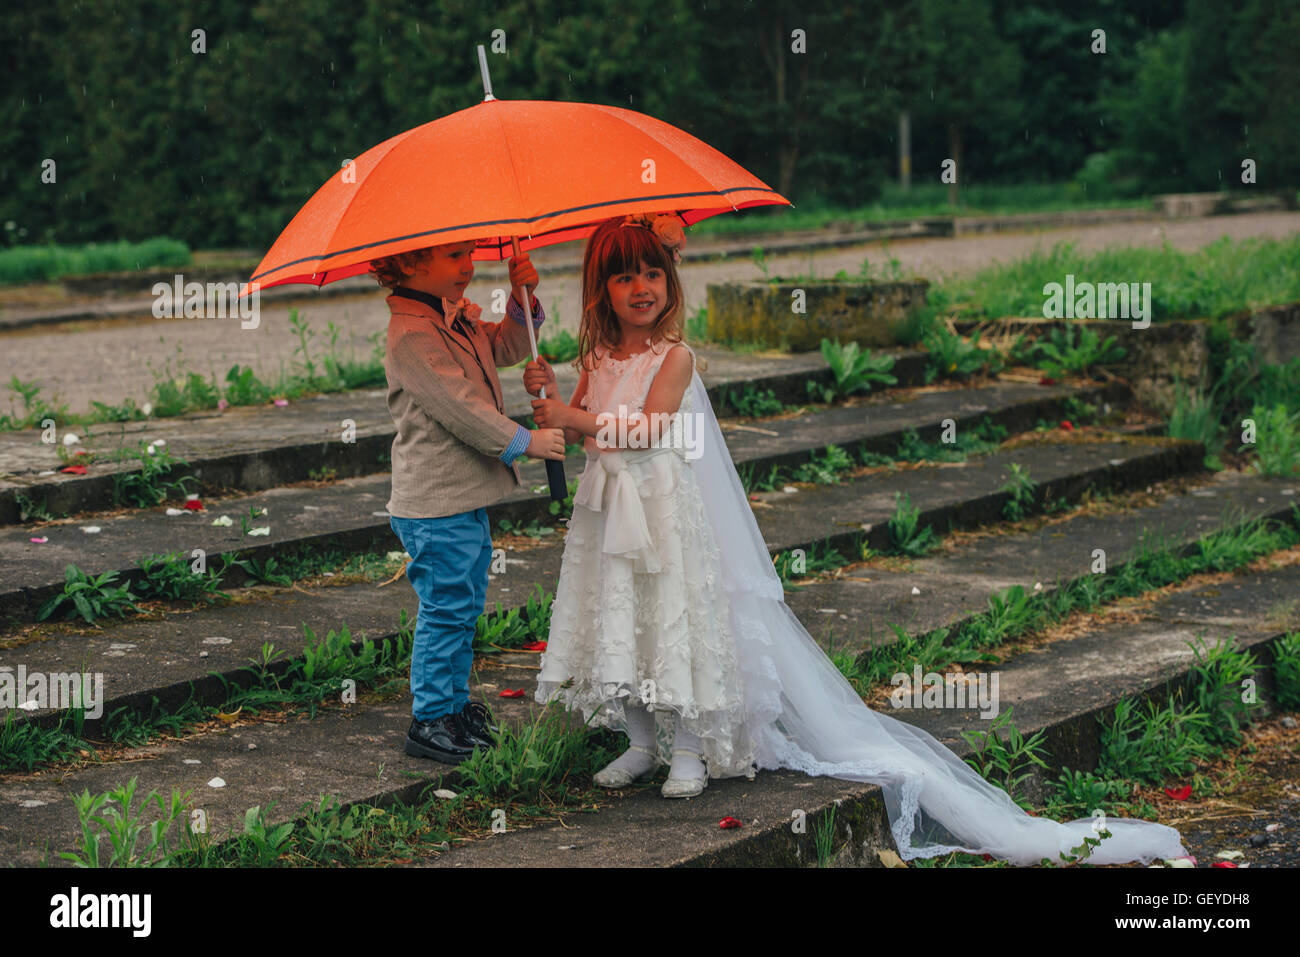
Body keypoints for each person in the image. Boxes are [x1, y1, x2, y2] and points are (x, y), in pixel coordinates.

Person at [523, 213, 1190, 865]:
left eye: (652, 273)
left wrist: (571, 413)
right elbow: (586, 429)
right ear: (598, 290)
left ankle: (691, 746)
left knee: (677, 623)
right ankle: (641, 742)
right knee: (624, 621)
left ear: (670, 279)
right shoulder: (597, 354)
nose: (642, 287)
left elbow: (644, 429)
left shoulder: (676, 357)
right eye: (623, 278)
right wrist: (551, 406)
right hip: (610, 511)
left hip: (664, 510)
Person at [374, 239, 565, 766]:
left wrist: (522, 300)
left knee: (462, 606)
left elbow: (503, 348)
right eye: (455, 256)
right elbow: (460, 408)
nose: (468, 266)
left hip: (463, 497)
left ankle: (453, 709)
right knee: (446, 608)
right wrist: (527, 442)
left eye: (468, 254)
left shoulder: (448, 317)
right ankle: (431, 718)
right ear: (411, 262)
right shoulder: (413, 336)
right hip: (436, 503)